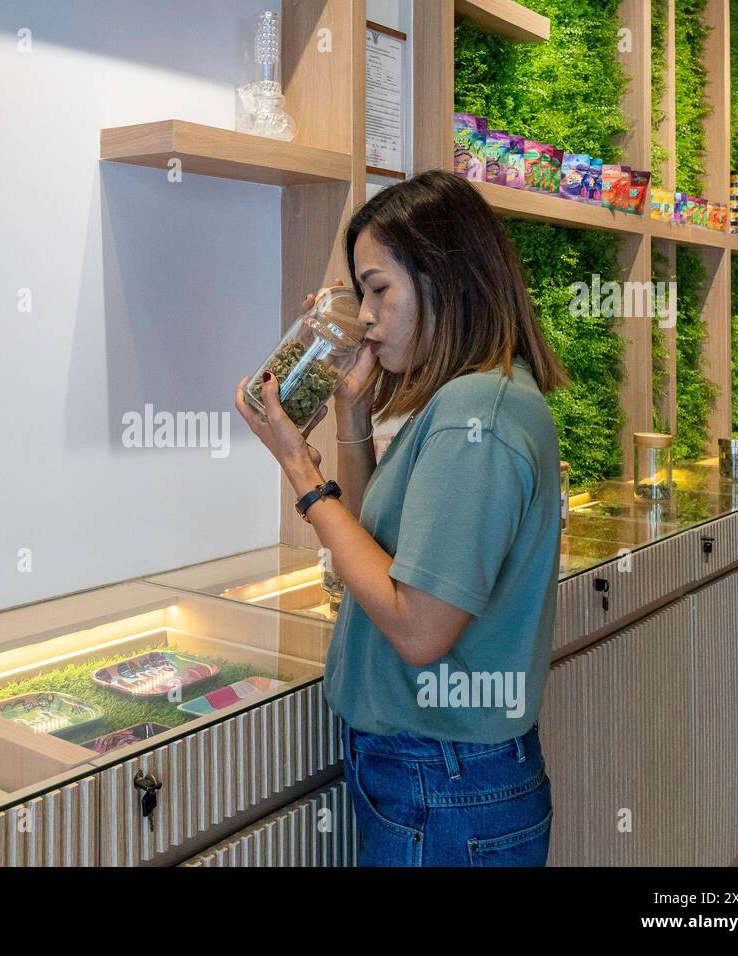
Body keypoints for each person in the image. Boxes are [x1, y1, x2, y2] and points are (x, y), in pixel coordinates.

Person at [235, 169, 567, 866]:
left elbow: (418, 628)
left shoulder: (479, 414)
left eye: (379, 290)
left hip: (442, 778)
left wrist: (301, 473)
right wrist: (351, 412)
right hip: (432, 770)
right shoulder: (471, 400)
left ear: (445, 275)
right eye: (360, 296)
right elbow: (371, 545)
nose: (365, 318)